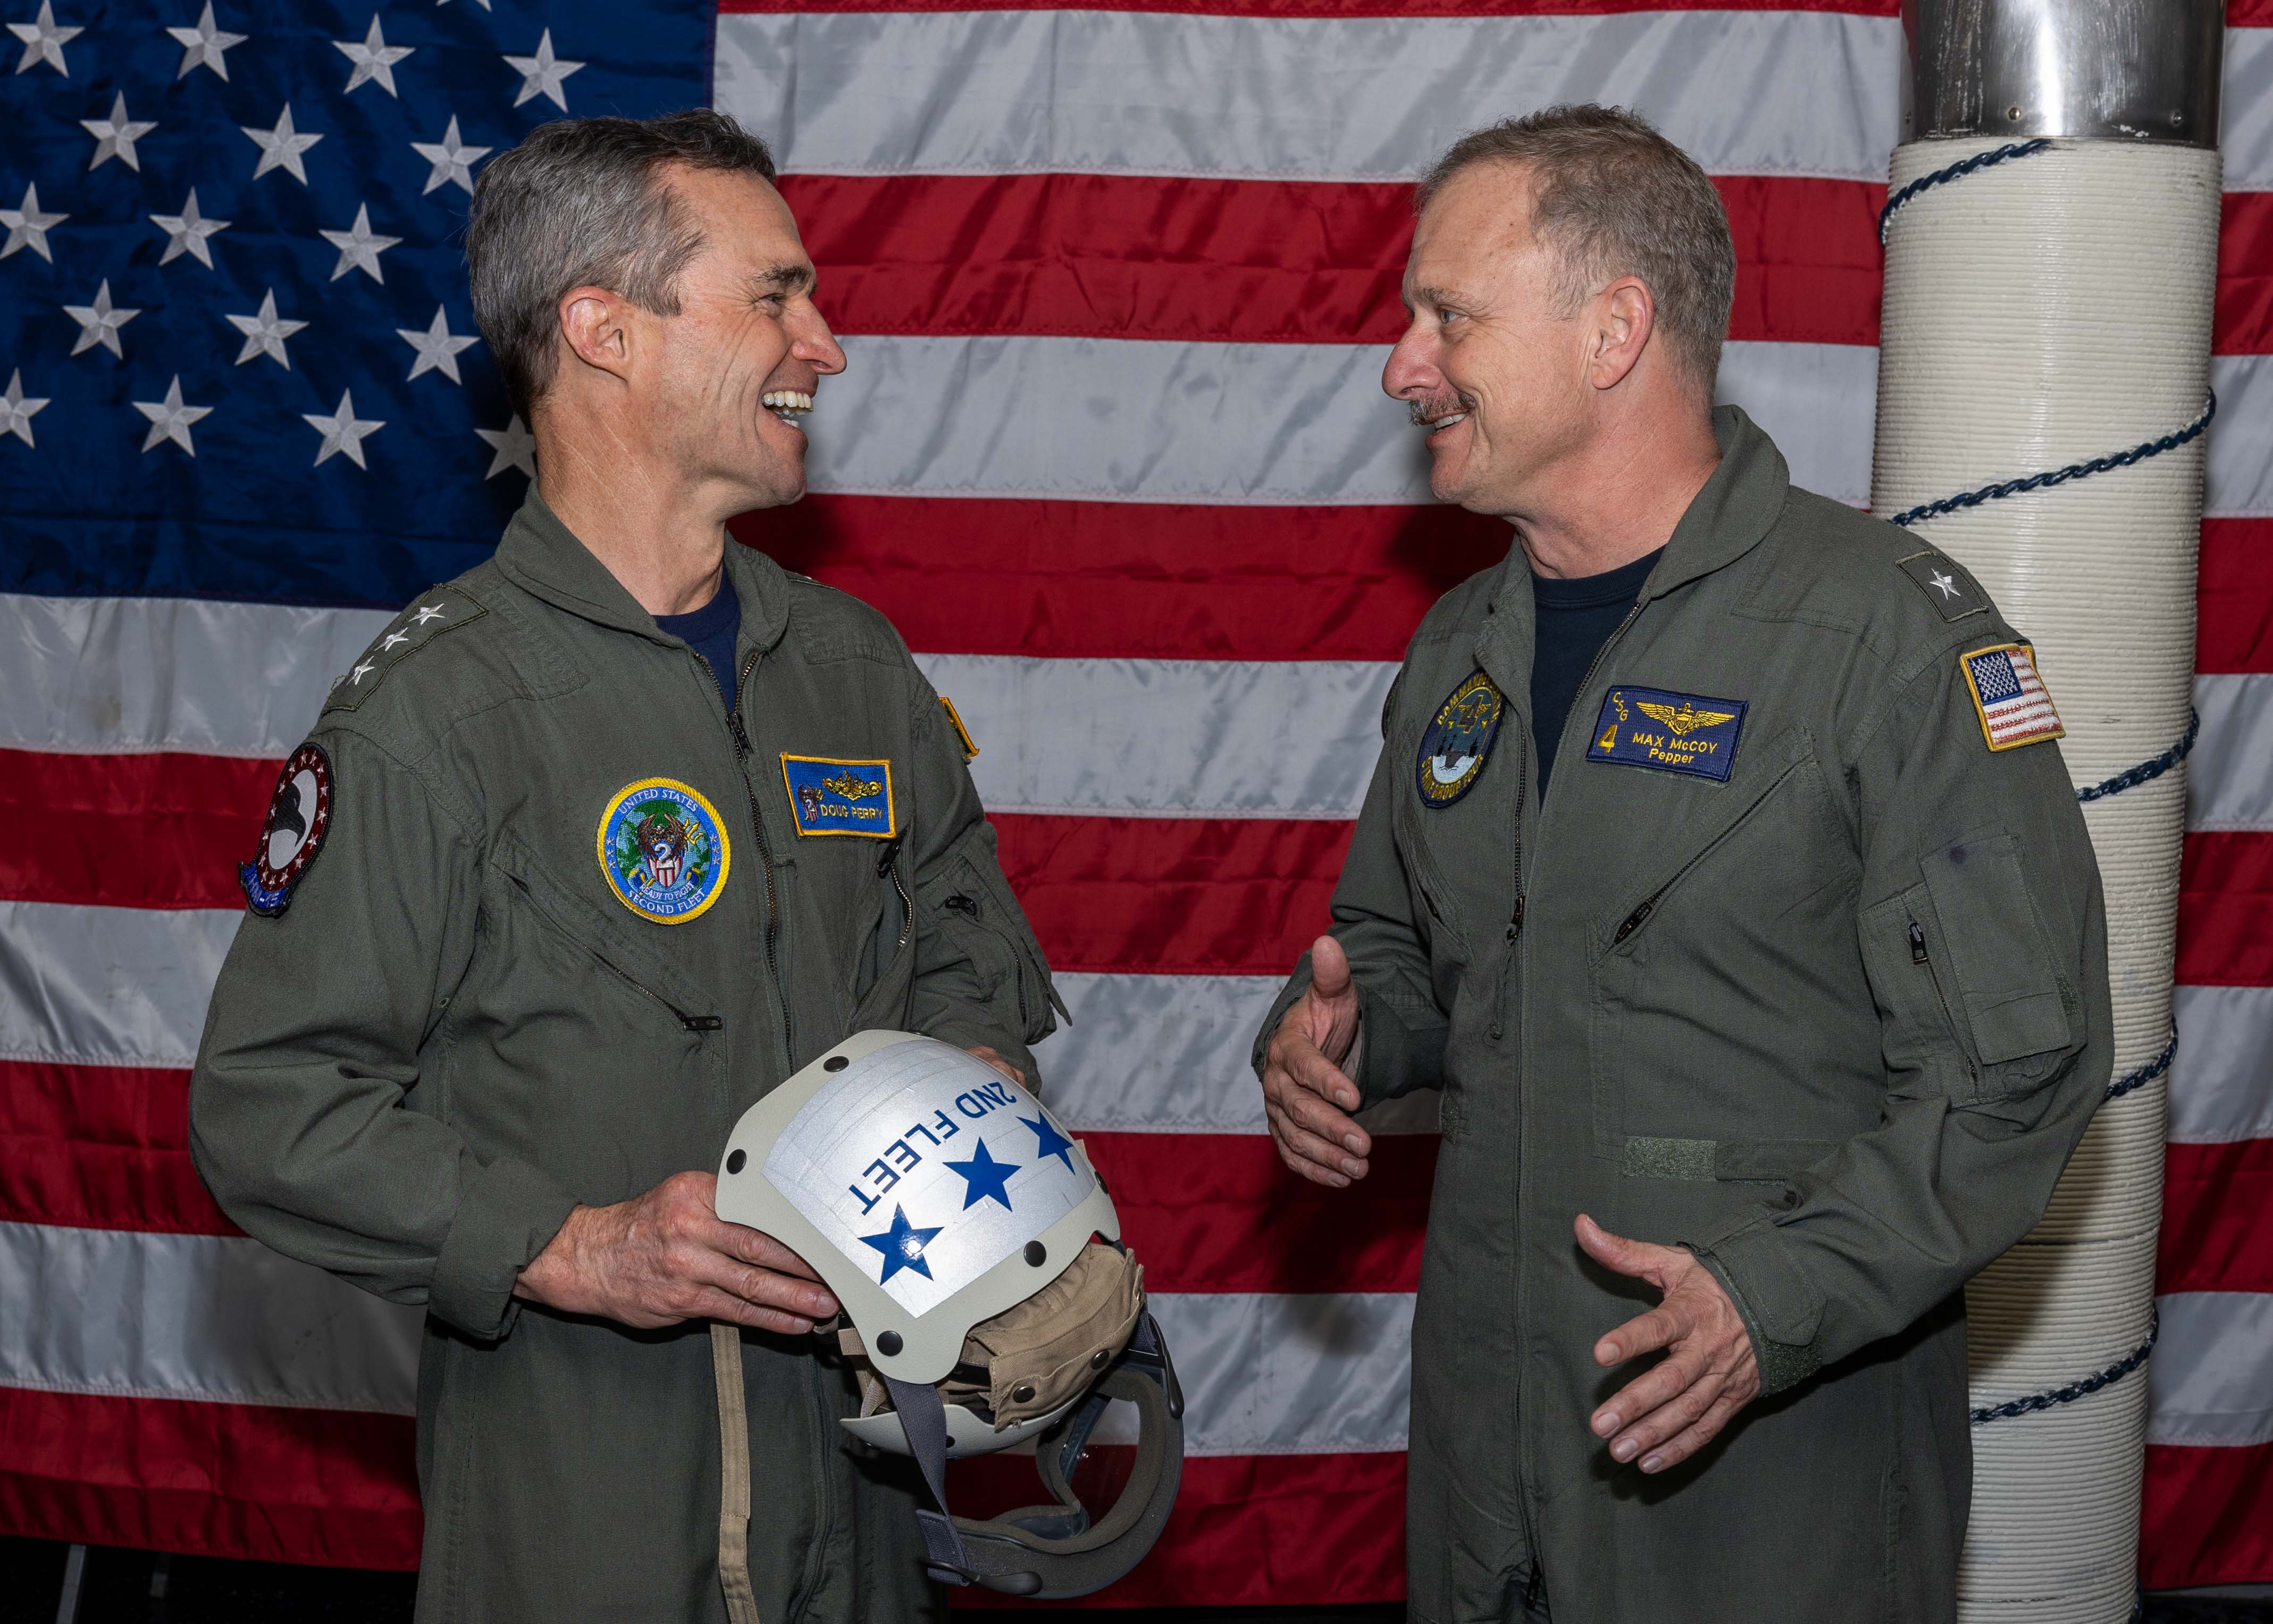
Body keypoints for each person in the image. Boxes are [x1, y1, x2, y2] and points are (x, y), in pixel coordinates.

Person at [190, 110, 1061, 1623]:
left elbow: (963, 928)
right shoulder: (437, 715)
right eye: (774, 296)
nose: (826, 345)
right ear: (604, 333)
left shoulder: (846, 667)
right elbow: (269, 1104)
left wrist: (973, 1073)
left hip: (866, 1497)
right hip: (587, 1506)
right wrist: (568, 1245)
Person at [1252, 105, 2110, 1622]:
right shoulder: (1465, 644)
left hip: (1763, 1480)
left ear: (1613, 330)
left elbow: (2016, 1075)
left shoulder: (1882, 639)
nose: (1399, 365)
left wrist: (1766, 1299)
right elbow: (1399, 952)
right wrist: (1341, 1043)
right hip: (1488, 1463)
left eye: (1445, 316)